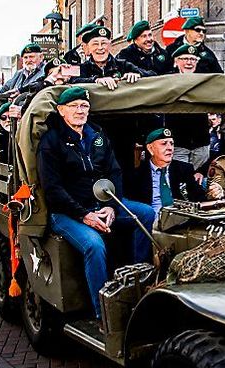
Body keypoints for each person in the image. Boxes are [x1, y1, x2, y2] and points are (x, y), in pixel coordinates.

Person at [37, 87, 156, 319]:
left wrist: (112, 206)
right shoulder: (51, 142)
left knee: (146, 214)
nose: (80, 111)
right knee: (94, 245)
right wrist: (85, 215)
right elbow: (53, 189)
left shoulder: (98, 135)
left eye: (84, 106)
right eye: (73, 107)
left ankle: (139, 280)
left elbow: (114, 171)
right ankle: (103, 312)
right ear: (61, 111)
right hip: (67, 212)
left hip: (103, 203)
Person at [127, 128, 206, 217]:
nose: (170, 148)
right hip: (151, 223)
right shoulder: (137, 174)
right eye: (164, 144)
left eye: (171, 144)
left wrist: (212, 195)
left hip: (181, 221)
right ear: (150, 148)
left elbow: (199, 197)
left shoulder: (184, 169)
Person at [165, 44, 213, 172]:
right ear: (176, 61)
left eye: (193, 59)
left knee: (200, 180)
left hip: (201, 143)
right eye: (185, 58)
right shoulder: (167, 80)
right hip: (178, 143)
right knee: (180, 180)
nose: (189, 63)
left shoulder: (203, 81)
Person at [71, 25, 147, 89]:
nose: (100, 48)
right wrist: (96, 80)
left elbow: (153, 74)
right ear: (88, 48)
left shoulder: (122, 65)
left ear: (110, 45)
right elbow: (72, 81)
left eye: (104, 43)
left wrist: (138, 74)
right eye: (95, 44)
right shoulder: (82, 68)